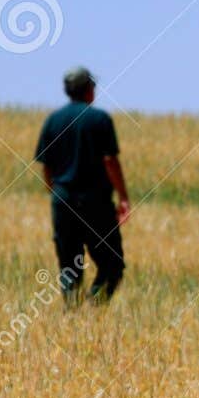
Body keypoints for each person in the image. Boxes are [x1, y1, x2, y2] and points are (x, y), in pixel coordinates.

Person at [34, 66, 130, 304]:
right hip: (96, 204)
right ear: (89, 89)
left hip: (63, 201)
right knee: (112, 265)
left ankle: (72, 315)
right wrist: (123, 197)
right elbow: (110, 161)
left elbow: (46, 166)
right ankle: (93, 307)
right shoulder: (99, 119)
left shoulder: (53, 120)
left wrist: (54, 192)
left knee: (69, 268)